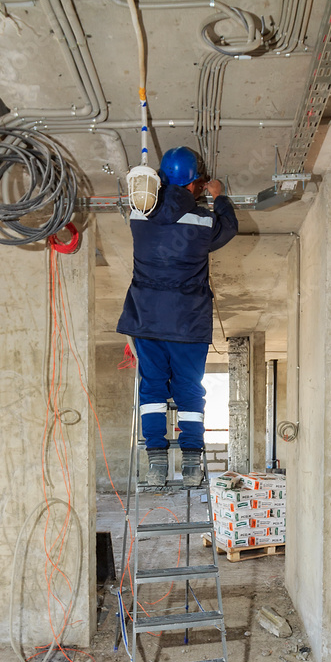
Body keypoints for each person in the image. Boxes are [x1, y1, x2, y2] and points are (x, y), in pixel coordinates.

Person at [117, 146, 238, 486]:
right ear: (195, 183)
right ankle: (191, 466)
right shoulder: (203, 221)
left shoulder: (138, 215)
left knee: (152, 387)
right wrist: (220, 197)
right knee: (188, 390)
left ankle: (156, 463)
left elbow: (152, 203)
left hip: (147, 318)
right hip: (187, 322)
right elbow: (229, 227)